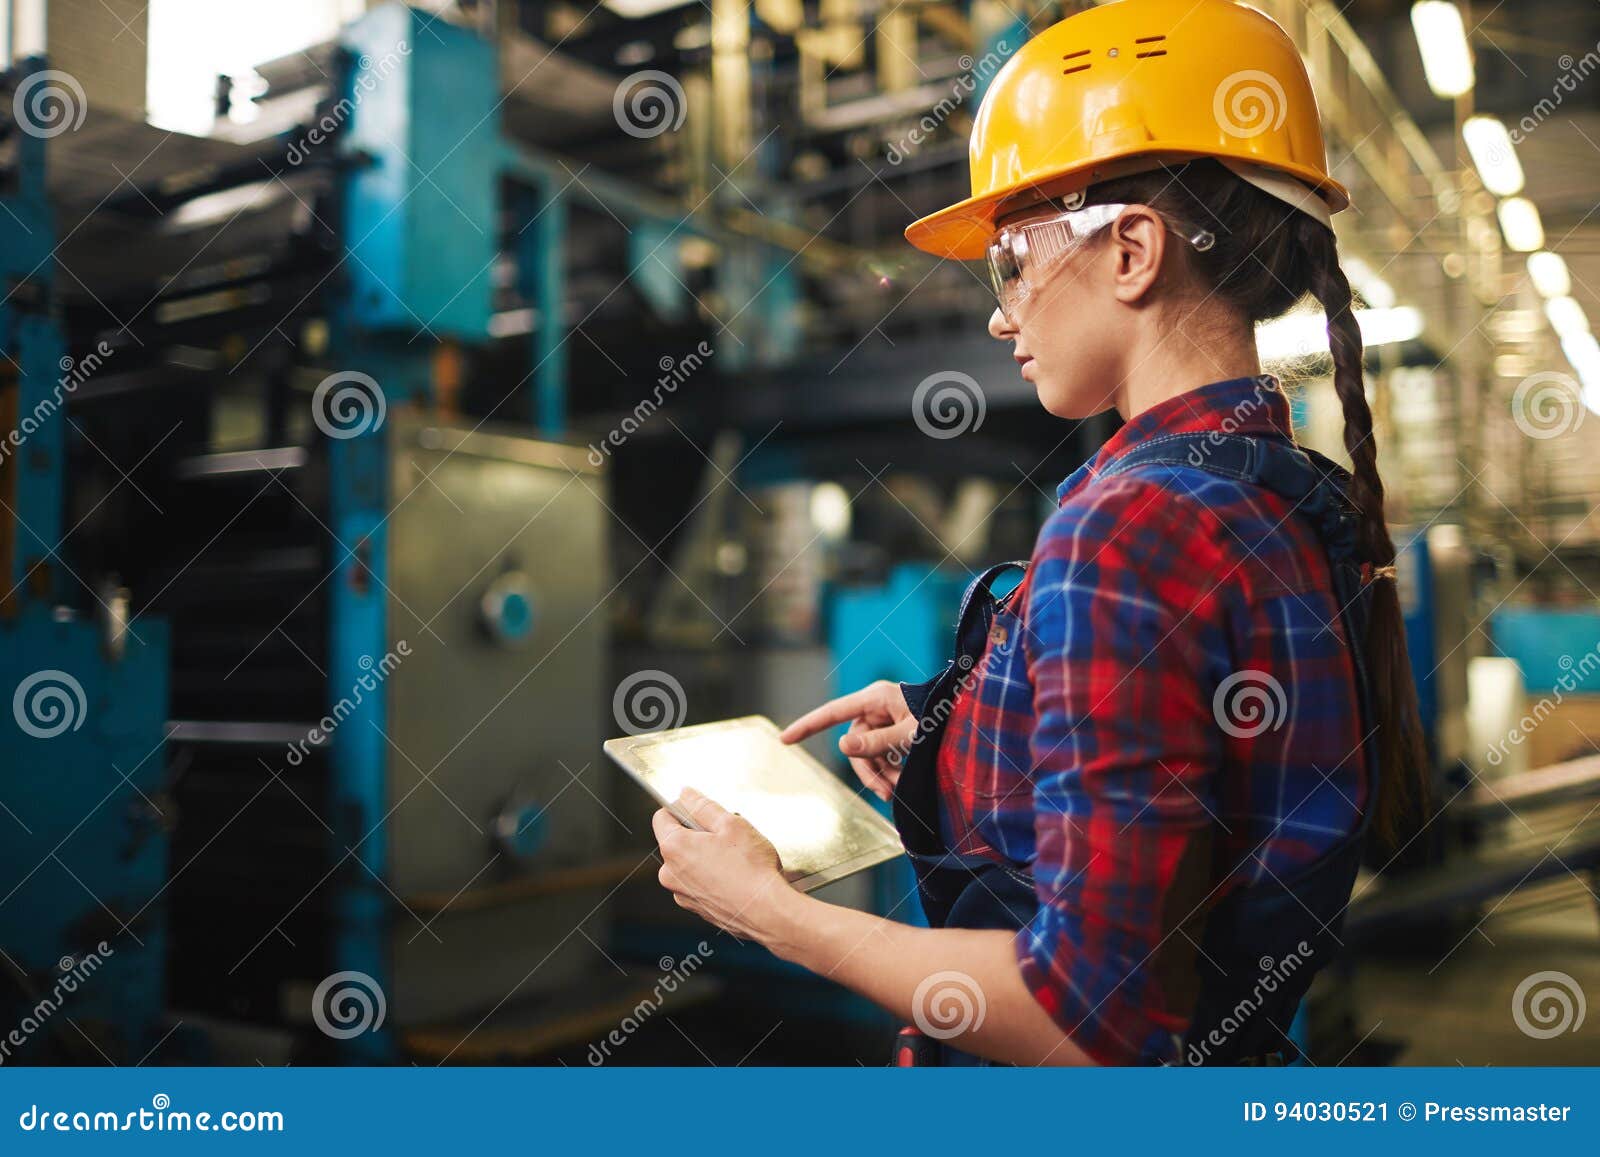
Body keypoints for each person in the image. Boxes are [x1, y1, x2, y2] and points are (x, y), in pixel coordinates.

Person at [651, 0, 1427, 1066]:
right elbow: (1193, 792)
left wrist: (773, 911)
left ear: (1130, 252)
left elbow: (1089, 1015)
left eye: (1010, 259)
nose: (998, 313)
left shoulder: (1131, 526)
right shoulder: (1285, 492)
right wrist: (958, 734)